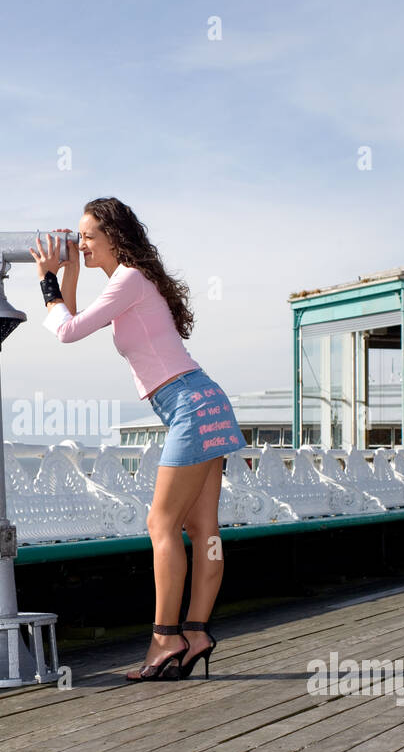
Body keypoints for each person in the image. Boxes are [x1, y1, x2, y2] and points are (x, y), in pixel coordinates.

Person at [32, 197, 246, 681]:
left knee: (161, 525)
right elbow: (71, 318)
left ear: (113, 236)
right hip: (205, 400)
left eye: (87, 237)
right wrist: (70, 272)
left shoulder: (128, 279)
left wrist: (46, 276)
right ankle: (196, 633)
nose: (80, 244)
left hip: (188, 405)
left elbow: (65, 332)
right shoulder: (131, 282)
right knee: (203, 529)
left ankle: (165, 637)